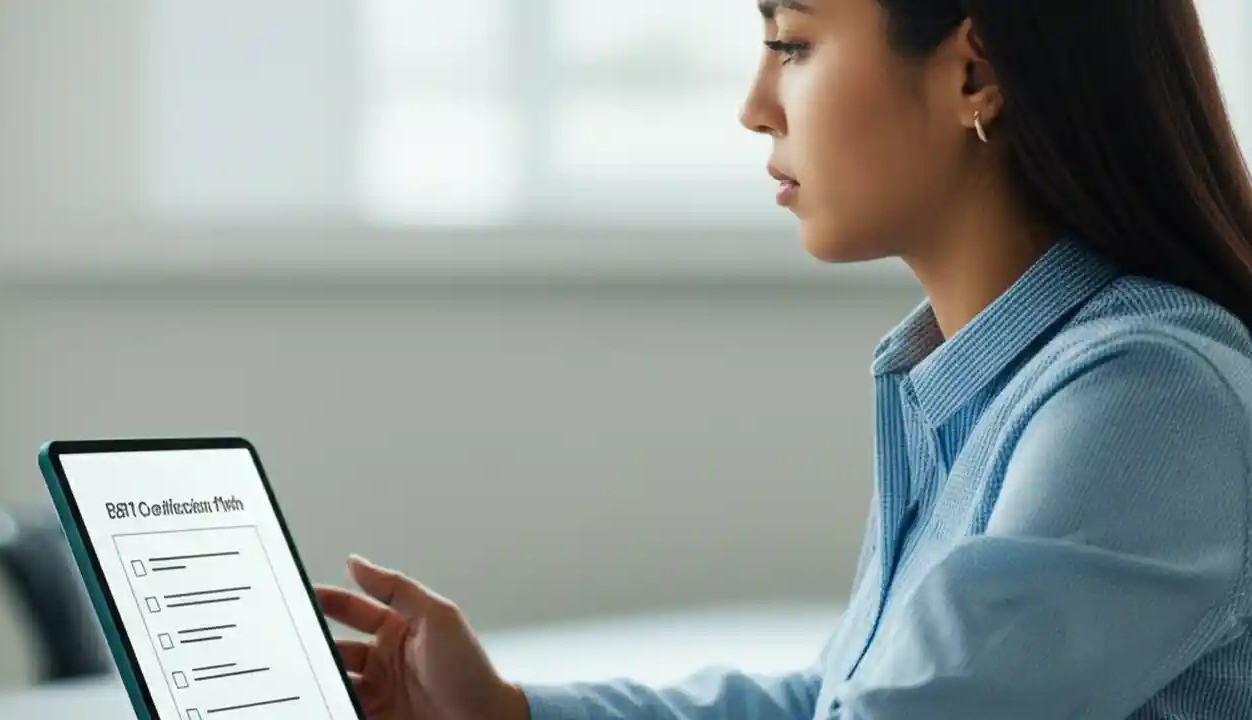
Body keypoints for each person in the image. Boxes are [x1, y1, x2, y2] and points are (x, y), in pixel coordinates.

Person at [313, 0, 1252, 717]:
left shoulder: (1147, 398)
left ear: (973, 73)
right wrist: (509, 712)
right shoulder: (975, 379)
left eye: (792, 43)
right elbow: (840, 696)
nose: (754, 108)